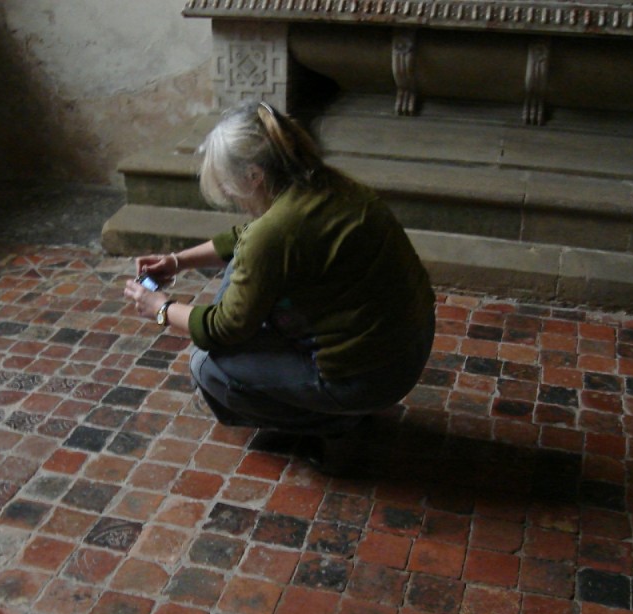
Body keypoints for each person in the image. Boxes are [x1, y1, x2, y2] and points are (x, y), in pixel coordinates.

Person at [123, 101, 436, 469]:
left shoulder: (274, 233)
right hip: (409, 344)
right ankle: (332, 406)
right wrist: (177, 261)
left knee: (207, 365)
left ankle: (336, 422)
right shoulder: (325, 183)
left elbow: (222, 329)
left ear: (254, 175)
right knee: (243, 264)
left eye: (227, 184)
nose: (228, 194)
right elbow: (247, 238)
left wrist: (160, 308)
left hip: (370, 377)